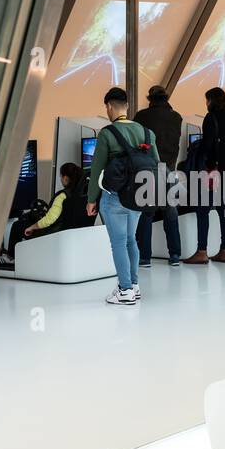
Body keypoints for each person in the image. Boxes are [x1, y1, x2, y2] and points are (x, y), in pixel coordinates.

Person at [88, 86, 159, 305]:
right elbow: (156, 164)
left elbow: (97, 168)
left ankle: (125, 290)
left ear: (109, 107)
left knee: (118, 242)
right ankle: (134, 286)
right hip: (138, 195)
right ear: (127, 106)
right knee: (131, 240)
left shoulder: (107, 134)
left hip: (114, 196)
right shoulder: (147, 133)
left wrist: (91, 199)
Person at [184, 86, 225, 264]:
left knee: (203, 210)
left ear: (212, 101)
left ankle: (202, 251)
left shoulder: (210, 118)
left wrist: (204, 163)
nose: (206, 103)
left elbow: (208, 146)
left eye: (207, 100)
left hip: (212, 172)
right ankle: (224, 250)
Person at [0, 162, 87, 266]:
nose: (61, 179)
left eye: (61, 177)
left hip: (52, 232)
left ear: (66, 178)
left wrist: (32, 227)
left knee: (18, 226)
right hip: (66, 231)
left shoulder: (62, 196)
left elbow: (50, 219)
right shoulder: (81, 196)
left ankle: (10, 256)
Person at [133, 84, 183, 267]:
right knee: (171, 213)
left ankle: (145, 257)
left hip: (148, 168)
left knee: (146, 214)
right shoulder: (176, 117)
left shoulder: (141, 117)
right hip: (169, 169)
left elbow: (136, 142)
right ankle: (175, 255)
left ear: (150, 98)